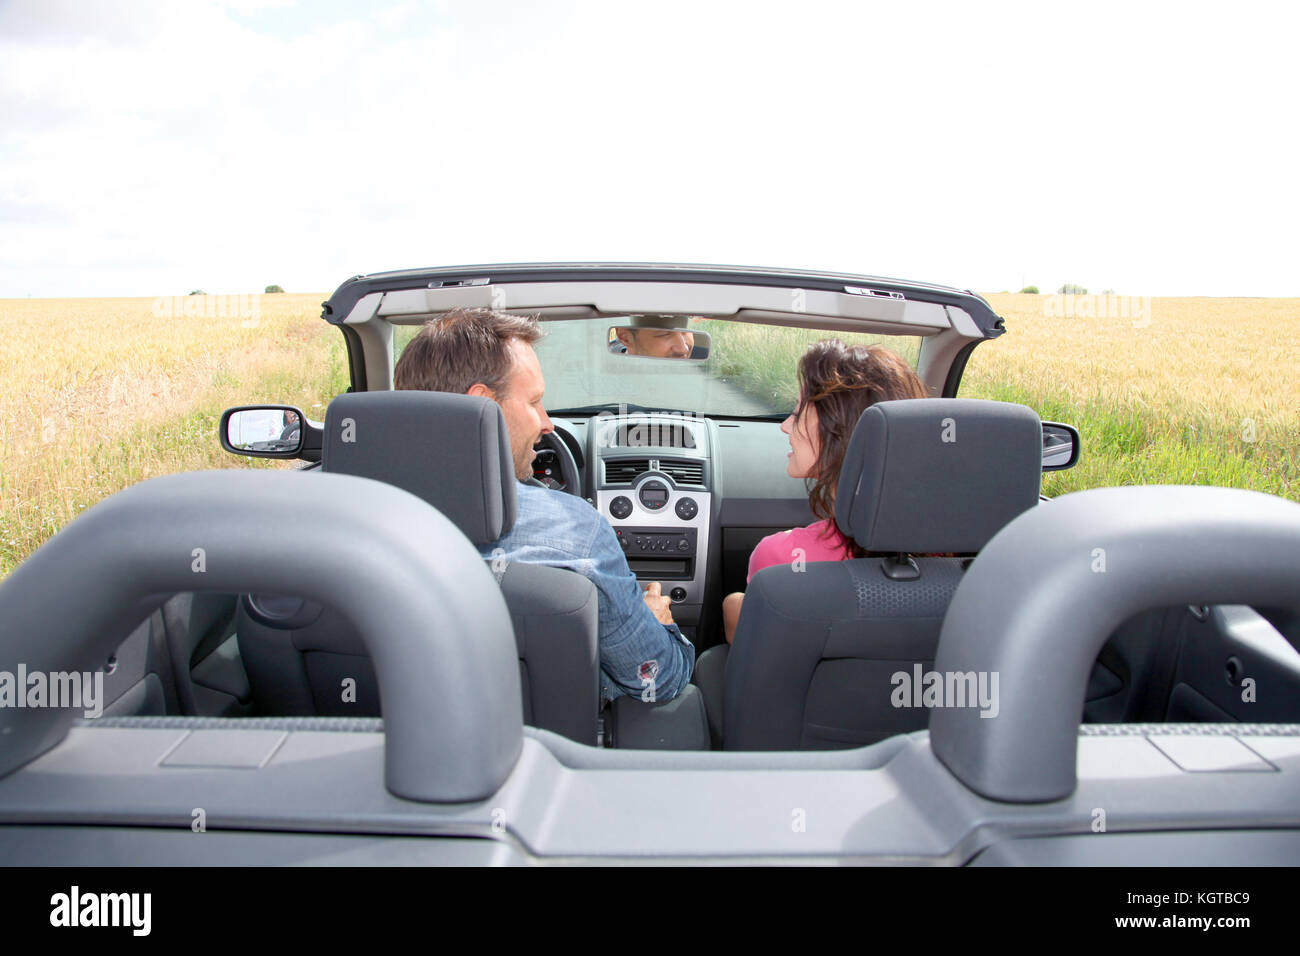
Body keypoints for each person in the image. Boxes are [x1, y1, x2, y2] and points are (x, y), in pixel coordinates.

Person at [395, 307, 695, 703]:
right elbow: (655, 681)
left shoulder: (332, 519)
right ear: (482, 407)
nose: (547, 422)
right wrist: (658, 623)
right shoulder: (575, 535)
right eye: (535, 401)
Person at [720, 339, 928, 643]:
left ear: (839, 431)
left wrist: (732, 606)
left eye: (798, 413)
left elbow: (762, 654)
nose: (785, 426)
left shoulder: (779, 558)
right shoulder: (956, 559)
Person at [612, 315, 696, 359]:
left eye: (685, 332)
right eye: (664, 334)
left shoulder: (704, 368)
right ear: (626, 338)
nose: (684, 349)